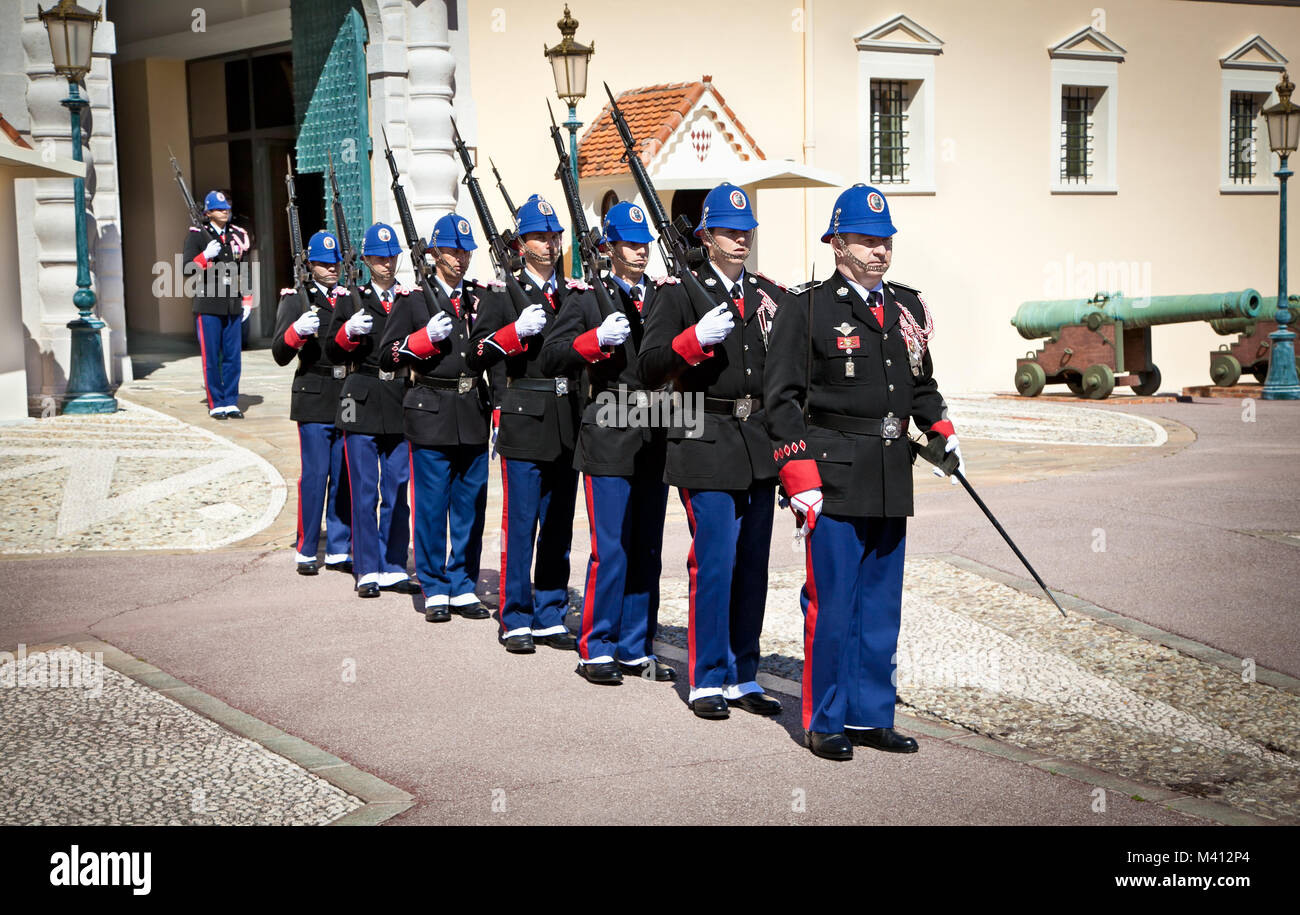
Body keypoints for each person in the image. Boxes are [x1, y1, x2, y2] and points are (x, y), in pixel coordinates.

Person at [763, 184, 963, 761]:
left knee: (880, 608)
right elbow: (780, 400)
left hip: (889, 474)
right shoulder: (806, 309)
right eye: (867, 241)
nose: (879, 251)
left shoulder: (906, 307)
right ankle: (825, 719)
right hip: (831, 478)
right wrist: (797, 475)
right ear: (837, 244)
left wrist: (943, 433)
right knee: (831, 604)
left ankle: (872, 714)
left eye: (885, 241)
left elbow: (921, 385)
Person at [638, 183, 785, 720]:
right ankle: (706, 677)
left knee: (753, 566)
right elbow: (649, 367)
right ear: (706, 236)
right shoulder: (678, 293)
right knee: (716, 560)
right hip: (705, 439)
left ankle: (744, 673)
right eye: (729, 230)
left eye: (747, 230)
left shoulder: (767, 294)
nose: (741, 238)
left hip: (757, 444)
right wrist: (693, 339)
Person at [539, 202, 674, 686]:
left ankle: (636, 644)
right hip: (610, 424)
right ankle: (597, 646)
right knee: (611, 546)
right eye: (630, 244)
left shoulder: (663, 294)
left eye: (644, 244)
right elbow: (552, 357)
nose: (640, 251)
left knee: (648, 546)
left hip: (656, 423)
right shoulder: (586, 298)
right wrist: (593, 339)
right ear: (609, 249)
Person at [466, 194, 582, 655]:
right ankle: (515, 615)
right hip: (524, 415)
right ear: (520, 244)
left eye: (554, 236)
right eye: (539, 236)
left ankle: (550, 611)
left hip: (567, 416)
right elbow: (475, 354)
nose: (550, 244)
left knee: (559, 522)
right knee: (521, 523)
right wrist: (514, 334)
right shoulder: (500, 295)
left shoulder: (574, 293)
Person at [378, 214, 496, 623]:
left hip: (472, 411)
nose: (460, 259)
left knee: (469, 505)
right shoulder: (412, 300)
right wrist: (421, 340)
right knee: (431, 505)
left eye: (465, 252)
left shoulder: (482, 296)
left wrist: (497, 406)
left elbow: (492, 353)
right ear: (435, 253)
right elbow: (387, 354)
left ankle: (462, 582)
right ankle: (434, 584)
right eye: (452, 251)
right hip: (430, 409)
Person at [324, 222, 421, 599]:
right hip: (360, 394)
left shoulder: (409, 297)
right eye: (380, 258)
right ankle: (366, 567)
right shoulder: (351, 297)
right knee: (363, 488)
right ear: (366, 259)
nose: (387, 264)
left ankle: (394, 564)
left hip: (398, 393)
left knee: (397, 487)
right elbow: (332, 351)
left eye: (392, 256)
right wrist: (347, 331)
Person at [271, 230, 353, 576]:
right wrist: (297, 332)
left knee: (344, 474)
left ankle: (339, 547)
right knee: (316, 474)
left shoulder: (349, 298)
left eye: (334, 262)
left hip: (347, 394)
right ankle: (306, 548)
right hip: (315, 393)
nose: (331, 268)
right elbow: (279, 353)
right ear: (309, 265)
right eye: (323, 263)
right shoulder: (295, 300)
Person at [183, 190, 253, 419]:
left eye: (227, 209)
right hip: (208, 303)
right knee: (212, 356)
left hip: (232, 302)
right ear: (209, 212)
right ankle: (216, 402)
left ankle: (231, 400)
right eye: (220, 209)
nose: (225, 212)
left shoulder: (235, 235)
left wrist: (247, 299)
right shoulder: (197, 236)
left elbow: (242, 269)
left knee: (233, 356)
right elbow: (187, 269)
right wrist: (204, 255)